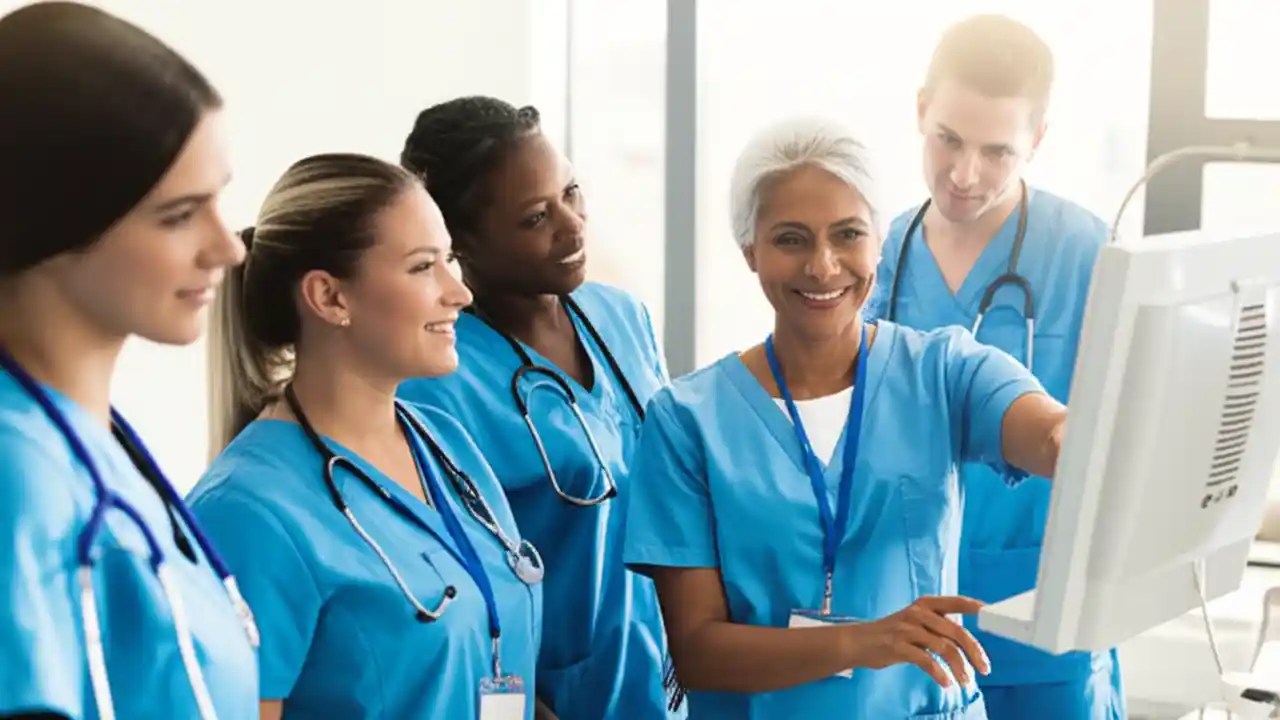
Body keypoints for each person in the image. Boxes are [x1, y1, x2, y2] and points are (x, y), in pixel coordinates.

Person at [622, 116, 1077, 719]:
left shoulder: (944, 372)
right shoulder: (687, 422)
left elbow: (1050, 435)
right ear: (750, 250)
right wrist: (865, 641)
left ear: (879, 241)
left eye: (848, 235)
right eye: (791, 240)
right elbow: (698, 651)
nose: (823, 265)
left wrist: (1082, 440)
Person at [186, 153, 542, 720]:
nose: (460, 292)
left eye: (450, 259)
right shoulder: (247, 512)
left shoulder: (444, 443)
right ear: (330, 297)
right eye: (423, 266)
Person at [0, 3, 257, 719]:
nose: (229, 247)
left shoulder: (93, 440)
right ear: (55, 217)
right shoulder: (17, 474)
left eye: (219, 200)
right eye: (179, 215)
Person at [865, 15, 1122, 720]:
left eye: (997, 151)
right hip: (912, 620)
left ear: (1037, 140)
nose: (964, 173)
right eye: (948, 139)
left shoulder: (1089, 254)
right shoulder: (880, 252)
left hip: (1045, 617)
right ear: (921, 109)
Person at [398, 96, 677, 719]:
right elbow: (455, 594)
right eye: (535, 218)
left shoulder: (622, 317)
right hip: (551, 697)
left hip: (663, 681)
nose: (572, 226)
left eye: (570, 193)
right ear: (460, 240)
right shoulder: (436, 381)